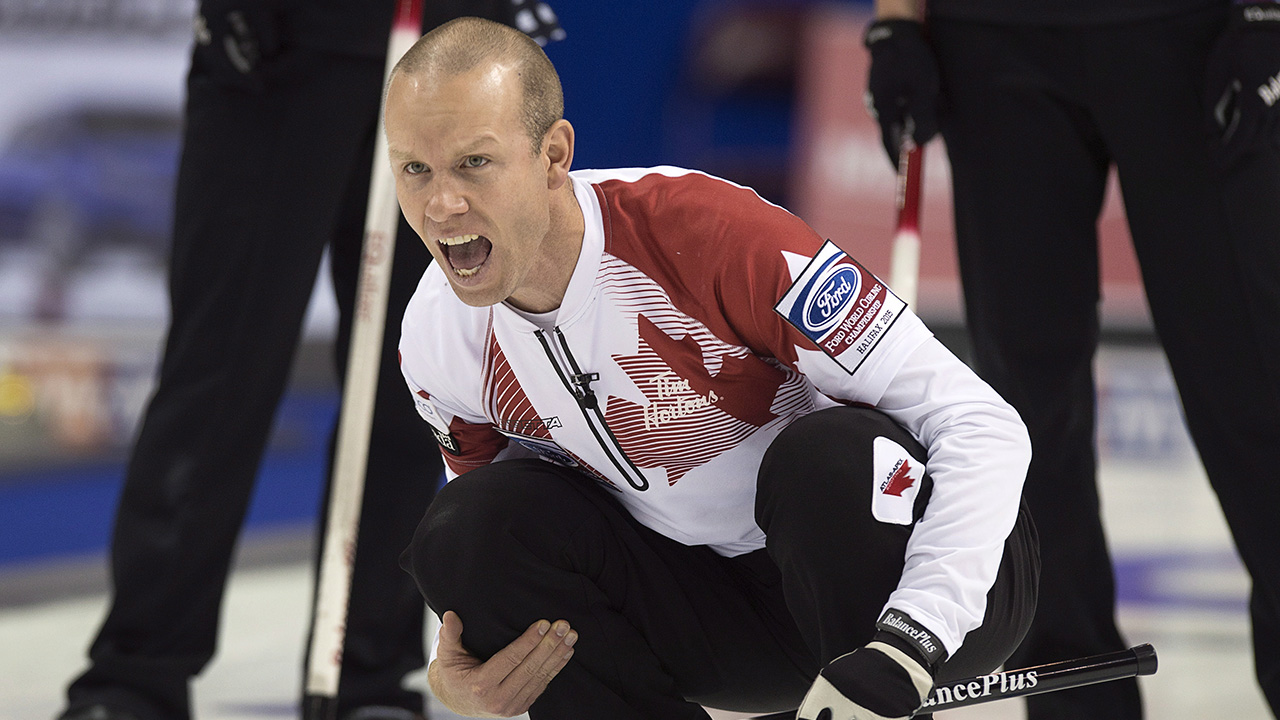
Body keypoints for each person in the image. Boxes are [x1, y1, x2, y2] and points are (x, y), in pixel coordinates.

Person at [386, 17, 1039, 720]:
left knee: (824, 459)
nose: (441, 204)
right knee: (464, 532)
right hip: (728, 615)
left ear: (553, 156)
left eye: (473, 164)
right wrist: (461, 667)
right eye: (414, 169)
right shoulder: (437, 333)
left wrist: (914, 633)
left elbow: (982, 422)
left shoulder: (708, 235)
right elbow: (497, 539)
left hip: (909, 588)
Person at [54, 4, 562, 720]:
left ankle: (369, 676)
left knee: (413, 378)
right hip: (276, 46)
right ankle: (135, 673)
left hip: (441, 54)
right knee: (218, 367)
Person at [863, 0, 1280, 717]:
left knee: (1252, 390)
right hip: (991, 39)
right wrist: (896, 20)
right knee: (1025, 414)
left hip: (1191, 30)